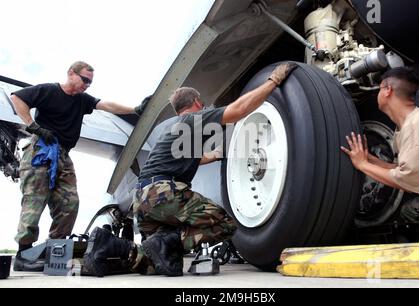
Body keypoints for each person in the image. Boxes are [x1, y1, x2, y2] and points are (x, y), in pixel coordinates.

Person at [83, 62, 298, 277]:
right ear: (197, 102)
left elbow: (189, 159)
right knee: (224, 224)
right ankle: (166, 242)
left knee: (154, 261)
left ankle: (109, 245)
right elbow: (238, 110)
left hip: (142, 201)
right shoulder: (196, 118)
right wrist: (273, 81)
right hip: (162, 193)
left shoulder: (176, 129)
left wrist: (214, 155)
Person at [11, 61, 149, 272]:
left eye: (90, 82)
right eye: (84, 79)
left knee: (70, 203)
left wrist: (135, 109)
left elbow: (106, 106)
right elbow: (17, 98)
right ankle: (23, 254)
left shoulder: (82, 100)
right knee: (35, 200)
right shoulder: (48, 90)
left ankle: (54, 248)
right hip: (41, 149)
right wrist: (34, 127)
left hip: (64, 154)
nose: (87, 85)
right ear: (70, 73)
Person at [341, 67, 419, 243]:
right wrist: (371, 160)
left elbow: (408, 180)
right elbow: (401, 168)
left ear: (387, 90)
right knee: (409, 212)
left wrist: (362, 165)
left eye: (379, 89)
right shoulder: (406, 127)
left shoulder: (417, 126)